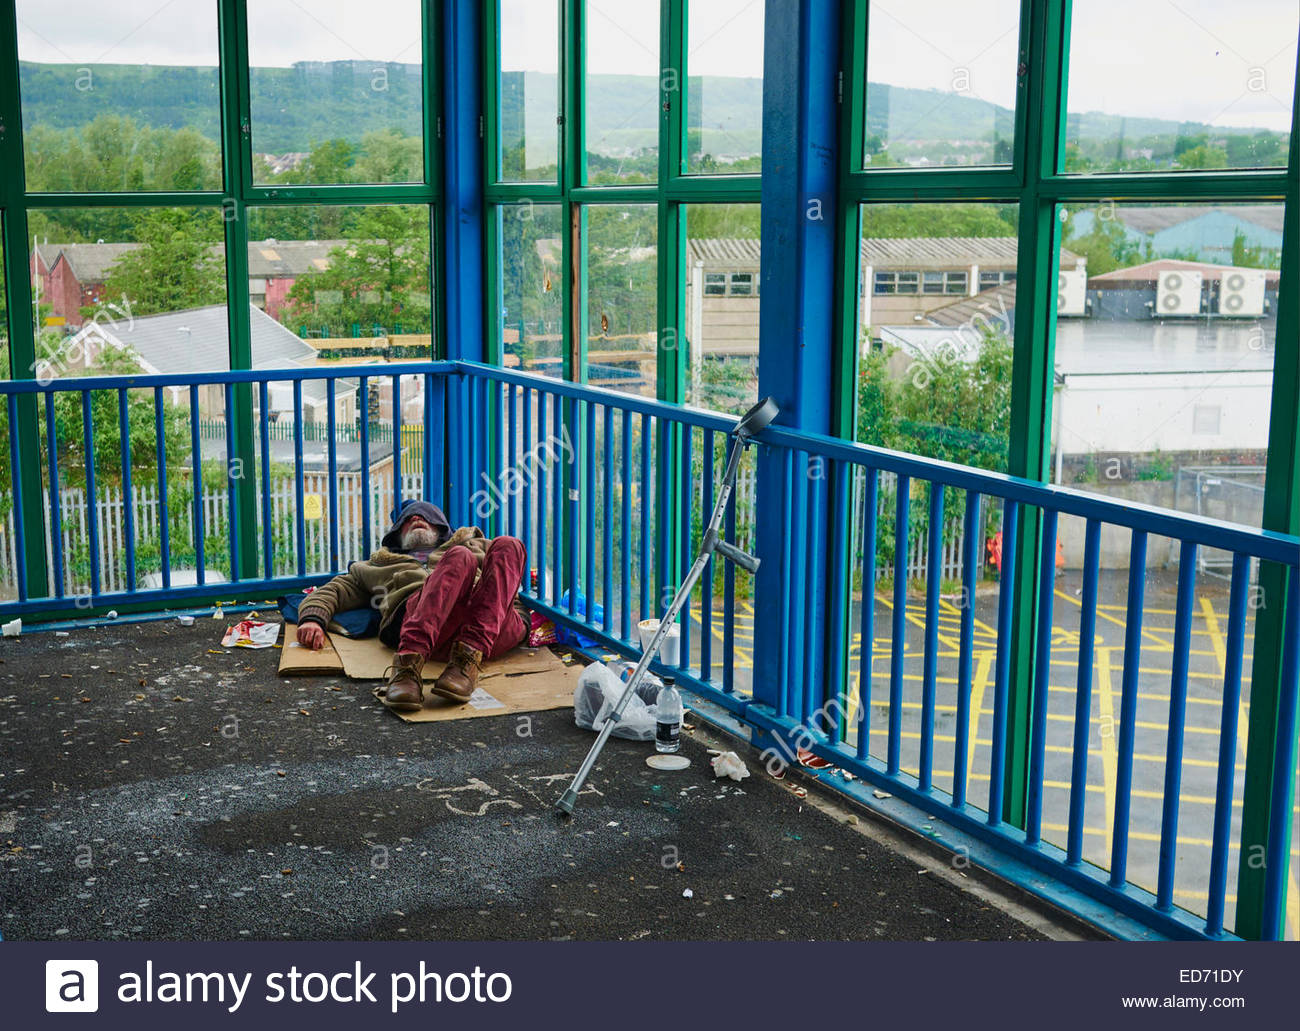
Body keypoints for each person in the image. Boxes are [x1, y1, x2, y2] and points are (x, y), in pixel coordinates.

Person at [295, 500, 530, 711]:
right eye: (407, 520)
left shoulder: (476, 545)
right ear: (396, 535)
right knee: (459, 558)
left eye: (425, 517)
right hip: (433, 632)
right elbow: (332, 591)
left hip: (491, 628)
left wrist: (519, 616)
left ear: (442, 528)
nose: (416, 519)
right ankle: (407, 669)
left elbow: (505, 583)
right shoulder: (374, 567)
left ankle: (465, 664)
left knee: (509, 544)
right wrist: (312, 619)